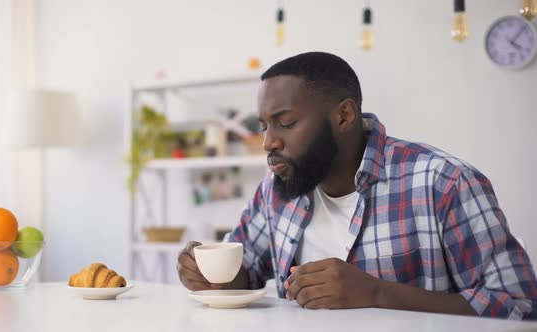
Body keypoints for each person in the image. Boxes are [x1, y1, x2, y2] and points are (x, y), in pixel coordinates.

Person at [176, 52, 537, 319]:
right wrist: (209, 273)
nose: (269, 141)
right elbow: (248, 271)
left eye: (285, 123)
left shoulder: (443, 183)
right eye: (264, 126)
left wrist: (378, 293)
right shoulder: (278, 188)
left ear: (344, 116)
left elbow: (520, 305)